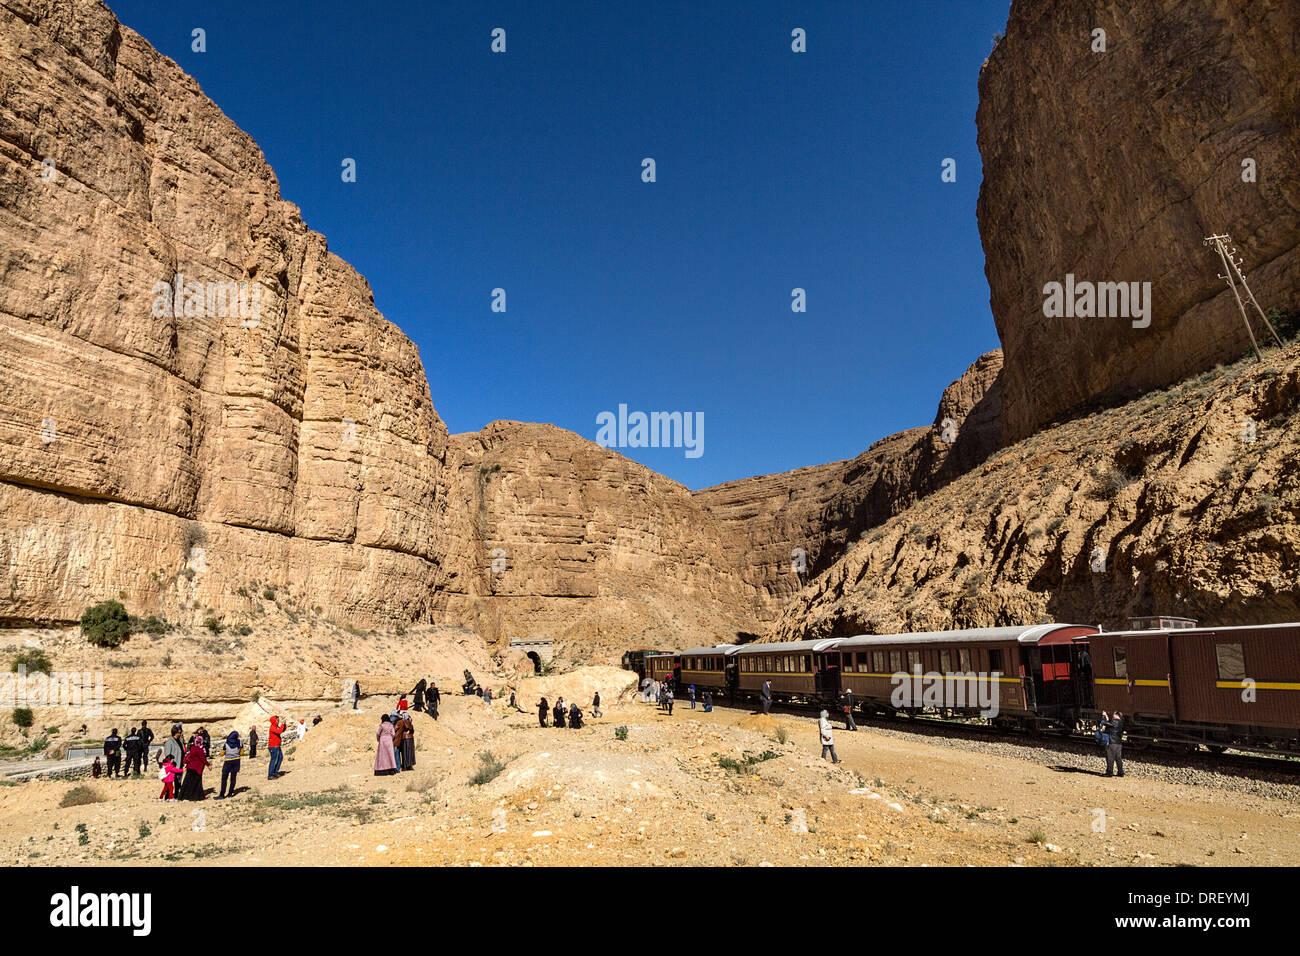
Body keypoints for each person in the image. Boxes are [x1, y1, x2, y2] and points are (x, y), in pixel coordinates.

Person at [178, 735, 209, 800]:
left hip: (190, 767)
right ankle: (197, 797)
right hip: (197, 768)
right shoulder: (200, 749)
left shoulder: (193, 748)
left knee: (187, 783)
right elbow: (203, 758)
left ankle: (183, 796)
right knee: (197, 784)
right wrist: (208, 765)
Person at [216, 731, 241, 799]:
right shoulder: (239, 742)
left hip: (228, 762)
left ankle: (222, 794)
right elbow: (241, 752)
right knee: (233, 778)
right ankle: (230, 793)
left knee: (224, 778)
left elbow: (222, 753)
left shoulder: (227, 743)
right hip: (236, 761)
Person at [1101, 710, 1125, 777]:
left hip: (1112, 742)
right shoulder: (1121, 723)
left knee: (1110, 757)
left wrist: (1104, 716)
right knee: (1118, 758)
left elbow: (1104, 723)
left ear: (1117, 715)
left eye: (1114, 714)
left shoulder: (1115, 721)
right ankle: (1121, 772)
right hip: (1119, 743)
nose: (1112, 715)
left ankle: (1109, 772)